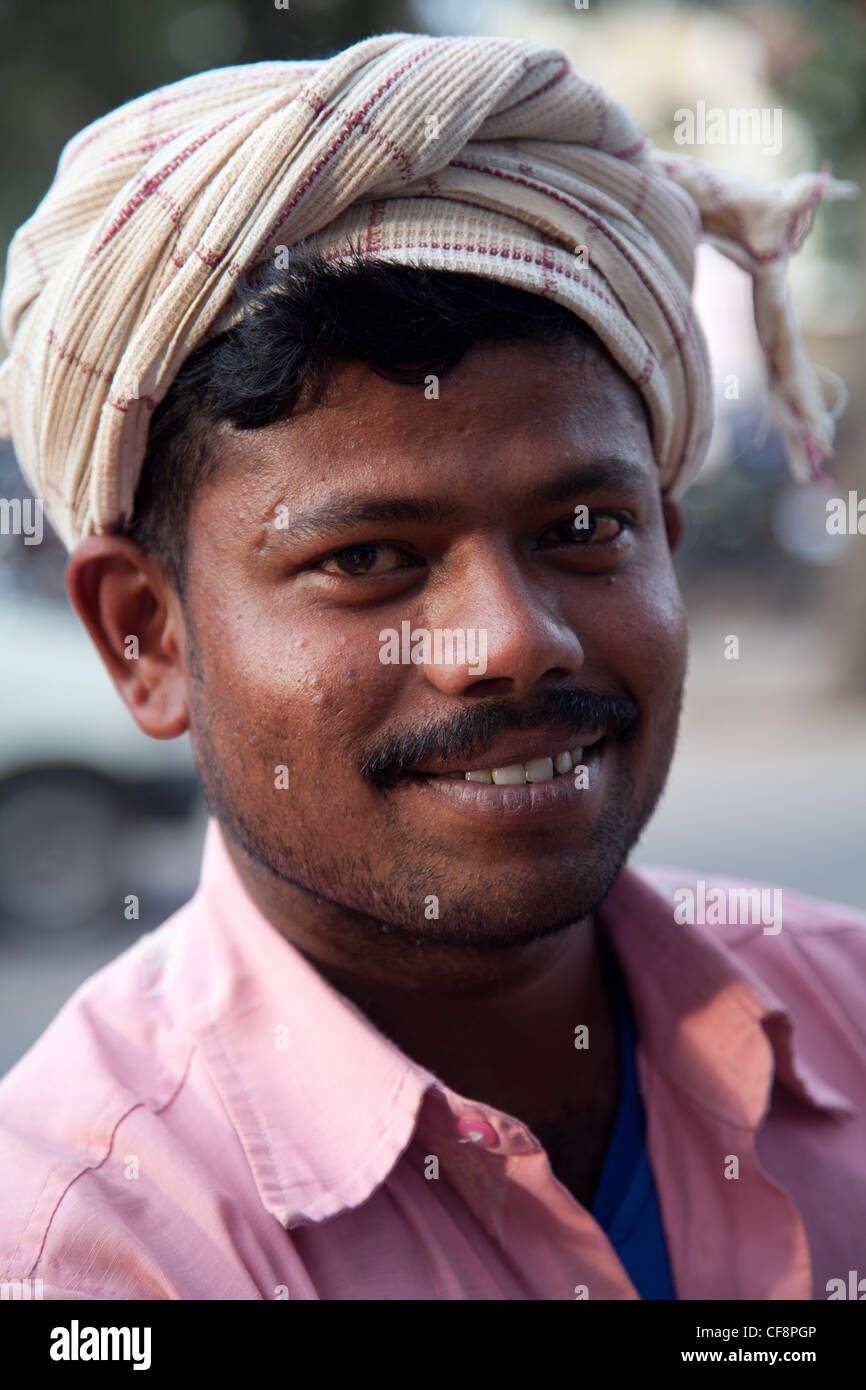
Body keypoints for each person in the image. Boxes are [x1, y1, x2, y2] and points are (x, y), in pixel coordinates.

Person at [0, 32, 863, 1302]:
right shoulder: (91, 1250)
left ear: (667, 549)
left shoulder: (841, 1006)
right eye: (367, 559)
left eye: (583, 532)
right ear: (147, 635)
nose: (512, 641)